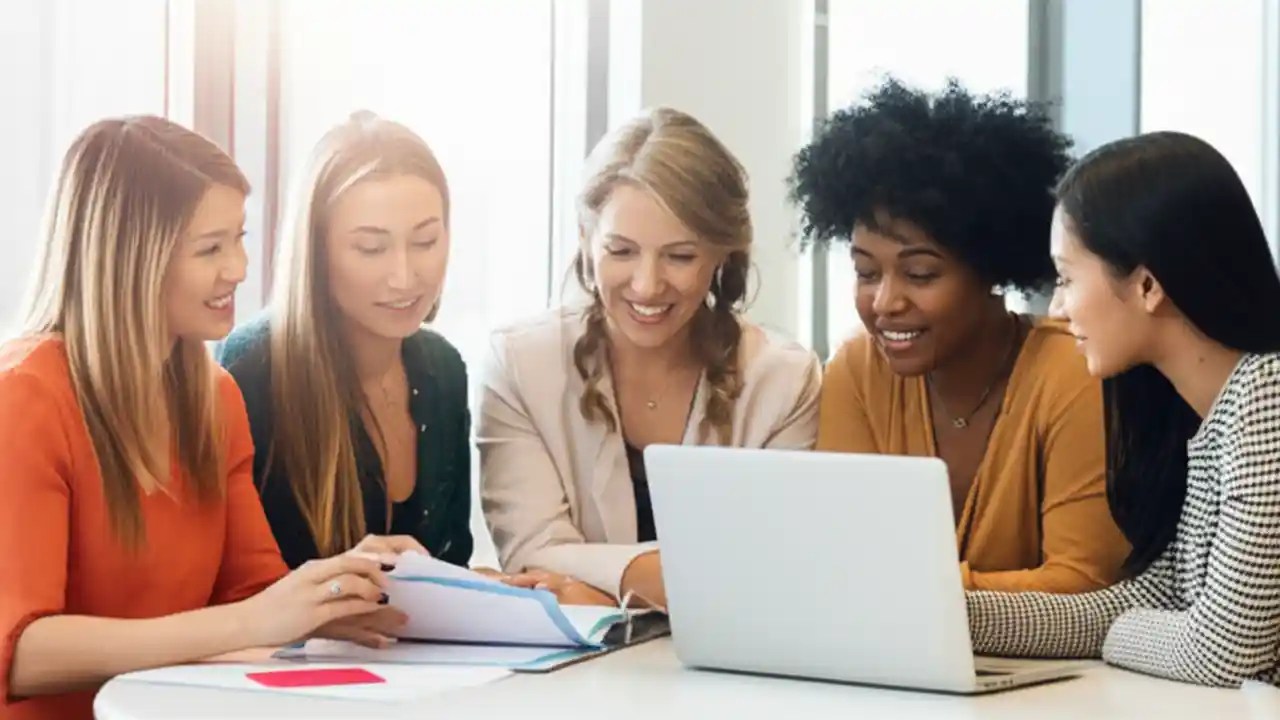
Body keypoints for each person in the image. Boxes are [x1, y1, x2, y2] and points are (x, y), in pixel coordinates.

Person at [0, 116, 406, 720]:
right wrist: (247, 621)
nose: (239, 267)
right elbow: (18, 653)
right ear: (130, 259)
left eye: (239, 238)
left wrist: (340, 590)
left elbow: (253, 595)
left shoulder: (214, 397)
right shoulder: (25, 398)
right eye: (210, 248)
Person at [788, 77, 1128, 593]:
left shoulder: (1071, 373)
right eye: (866, 272)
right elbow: (843, 563)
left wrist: (914, 595)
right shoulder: (857, 372)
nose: (884, 303)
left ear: (991, 268)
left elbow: (1081, 584)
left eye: (920, 274)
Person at [967, 132, 1280, 687]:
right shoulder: (1210, 412)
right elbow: (1155, 600)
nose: (1058, 309)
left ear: (1147, 284)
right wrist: (953, 616)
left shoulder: (1266, 397)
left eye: (1065, 278)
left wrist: (1121, 634)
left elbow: (1221, 652)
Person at [479, 107, 821, 608]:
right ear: (585, 241)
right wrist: (688, 580)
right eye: (621, 251)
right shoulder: (518, 364)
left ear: (721, 255)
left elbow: (777, 576)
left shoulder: (785, 380)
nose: (646, 285)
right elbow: (531, 556)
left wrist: (596, 586)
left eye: (680, 256)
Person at [219, 112, 472, 569]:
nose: (405, 277)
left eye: (426, 241)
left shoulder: (443, 369)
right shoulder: (254, 369)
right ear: (317, 252)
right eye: (371, 248)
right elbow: (234, 587)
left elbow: (454, 560)